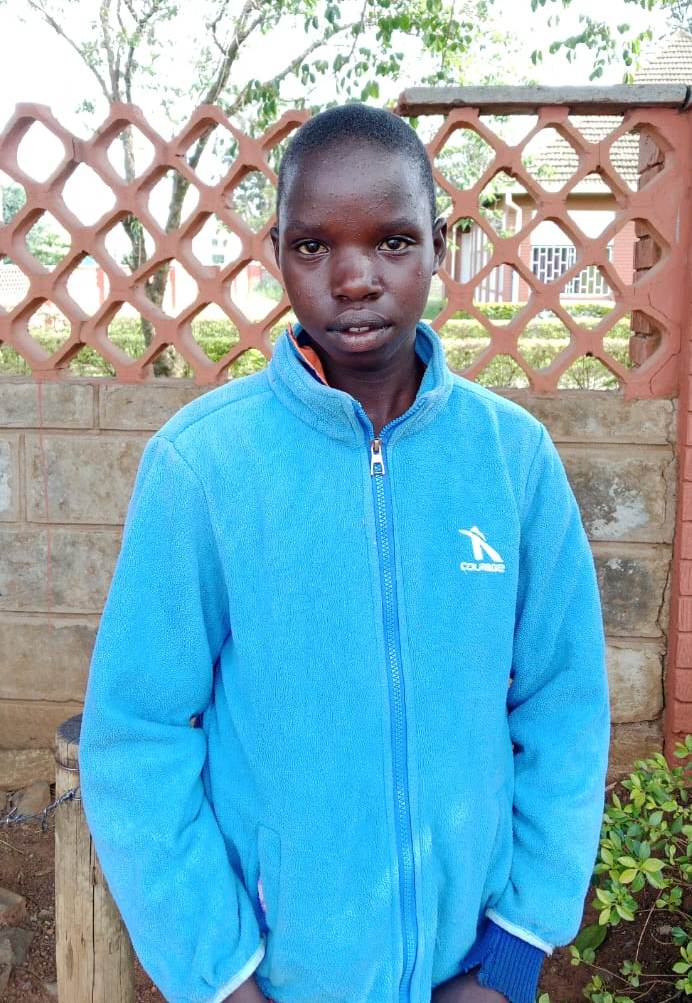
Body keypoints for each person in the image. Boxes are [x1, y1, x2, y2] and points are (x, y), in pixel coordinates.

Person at [78, 104, 611, 1003]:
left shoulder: (512, 461)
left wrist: (516, 948)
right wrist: (221, 975)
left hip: (470, 970)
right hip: (283, 977)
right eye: (316, 247)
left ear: (441, 245)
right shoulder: (203, 466)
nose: (356, 278)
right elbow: (137, 735)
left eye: (394, 241)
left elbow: (563, 705)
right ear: (276, 251)